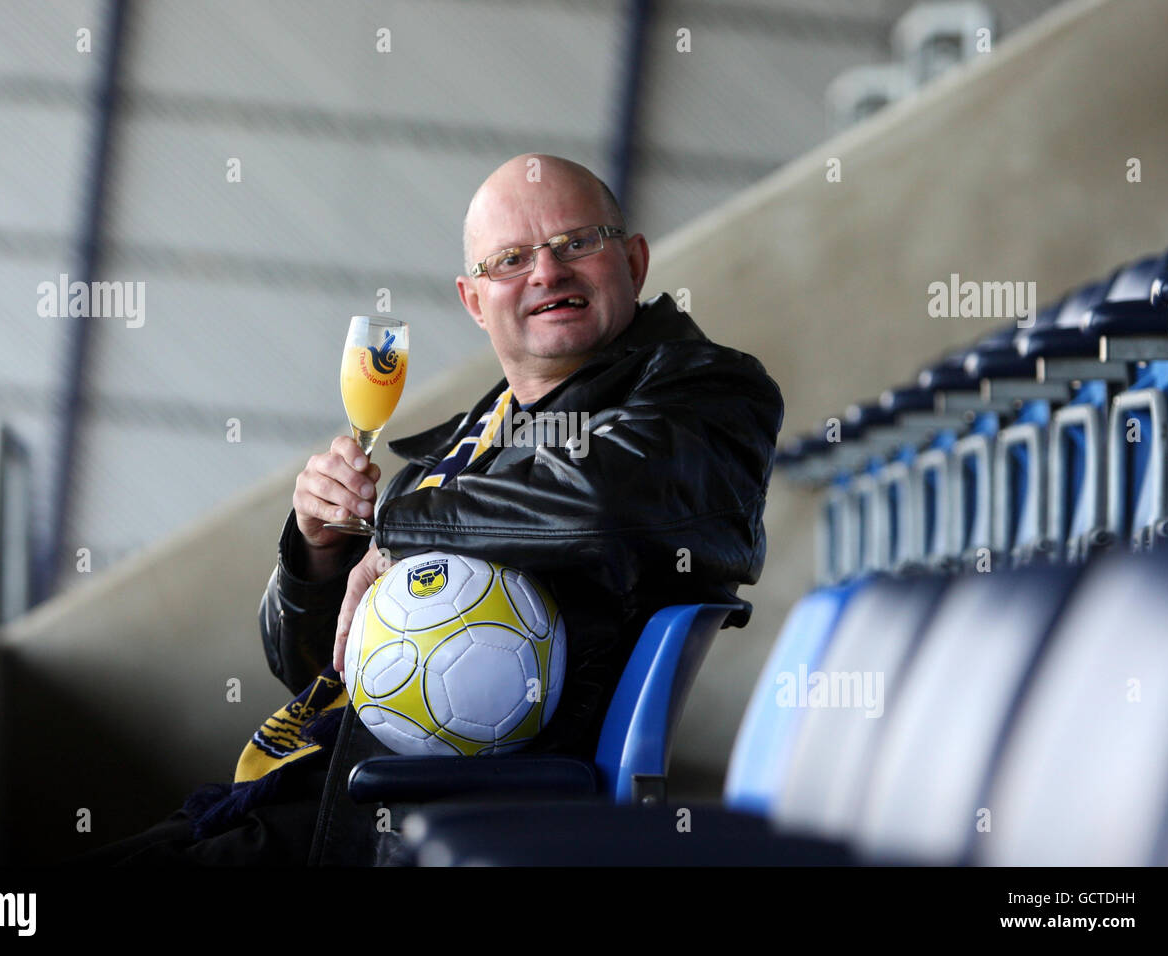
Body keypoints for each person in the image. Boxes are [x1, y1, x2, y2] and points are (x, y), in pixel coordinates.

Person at [77, 153, 782, 866]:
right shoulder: (462, 448)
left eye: (577, 243)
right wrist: (318, 552)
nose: (546, 273)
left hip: (417, 814)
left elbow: (611, 501)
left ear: (633, 261)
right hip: (317, 785)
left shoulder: (705, 389)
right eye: (510, 259)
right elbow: (307, 667)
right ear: (474, 301)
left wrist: (391, 533)